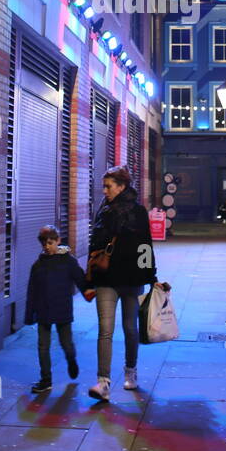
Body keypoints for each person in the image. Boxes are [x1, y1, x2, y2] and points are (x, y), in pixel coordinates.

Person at [87, 165, 157, 401]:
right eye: (104, 186)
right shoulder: (103, 210)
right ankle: (103, 382)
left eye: (108, 186)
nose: (104, 191)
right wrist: (89, 279)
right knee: (105, 330)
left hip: (132, 278)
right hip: (106, 279)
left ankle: (131, 371)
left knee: (130, 328)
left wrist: (151, 276)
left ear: (122, 186)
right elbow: (94, 245)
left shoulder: (138, 212)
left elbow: (146, 245)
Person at [25, 225, 90, 394]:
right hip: (43, 311)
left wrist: (89, 292)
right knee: (42, 346)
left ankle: (71, 360)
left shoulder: (69, 261)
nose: (47, 247)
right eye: (44, 244)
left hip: (62, 309)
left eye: (50, 243)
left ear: (58, 241)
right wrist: (29, 314)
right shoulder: (38, 265)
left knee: (66, 344)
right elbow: (31, 291)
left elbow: (80, 279)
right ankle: (46, 380)